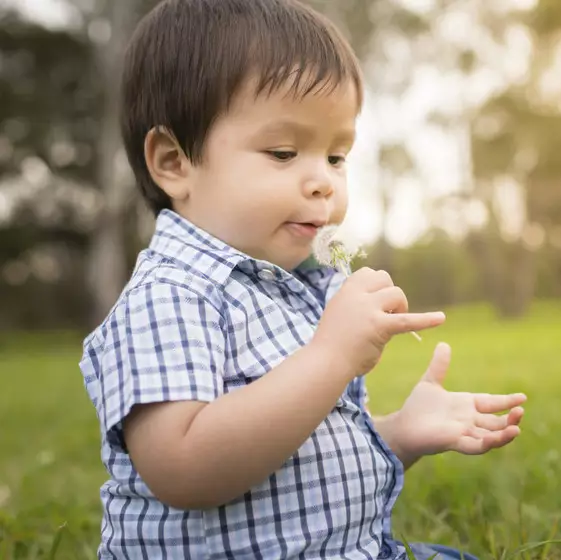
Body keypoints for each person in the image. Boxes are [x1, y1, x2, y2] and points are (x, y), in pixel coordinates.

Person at [79, 1, 527, 558]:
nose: (322, 181)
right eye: (284, 152)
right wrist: (331, 356)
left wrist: (400, 432)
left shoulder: (293, 292)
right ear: (174, 162)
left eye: (337, 157)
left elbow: (303, 463)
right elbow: (185, 468)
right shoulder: (169, 297)